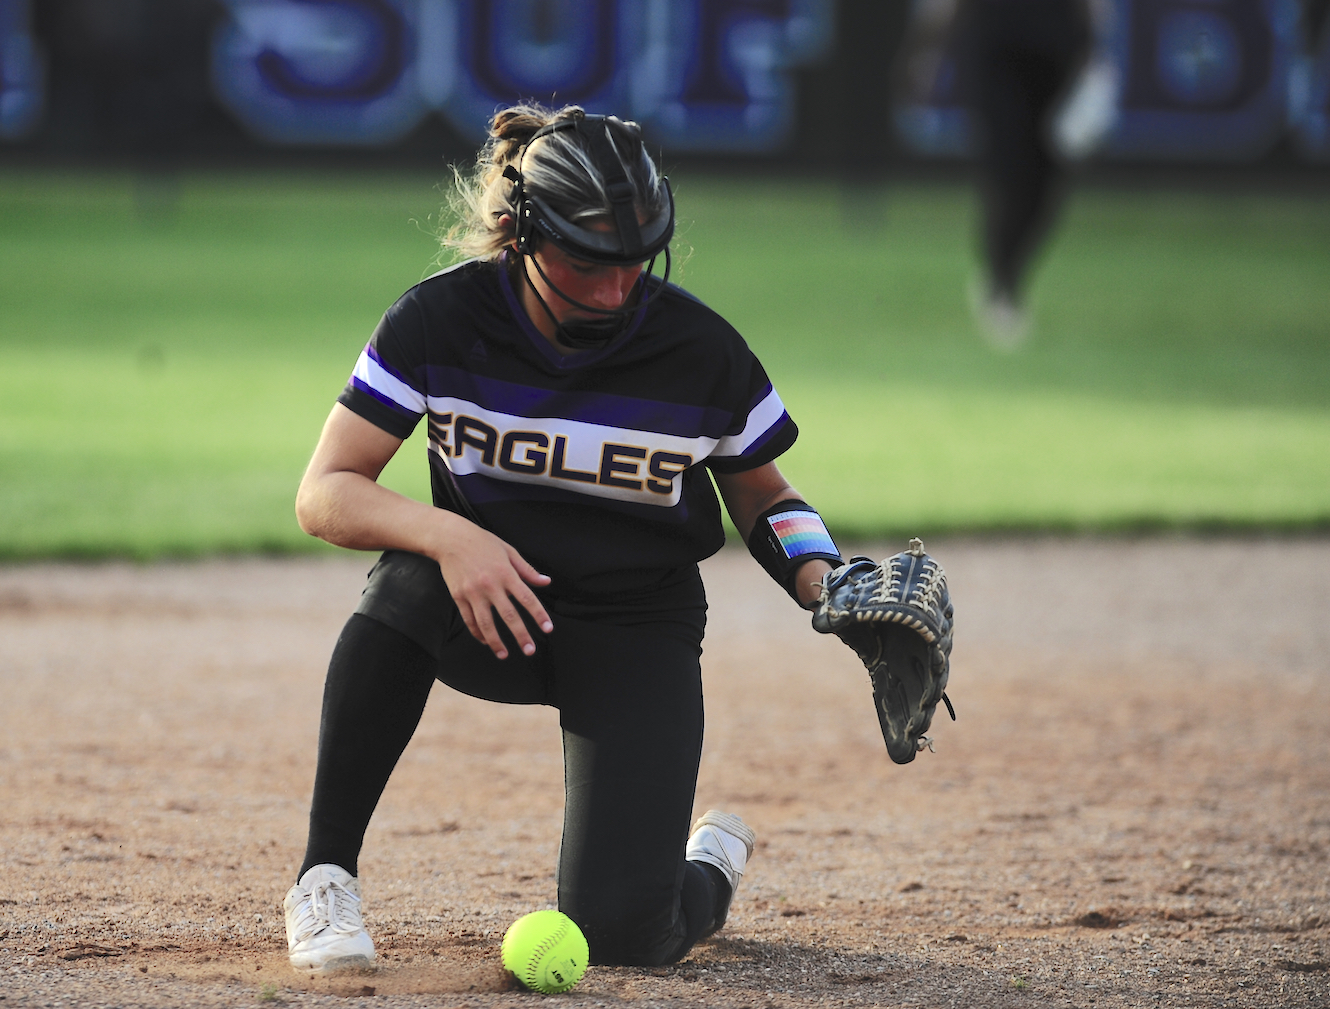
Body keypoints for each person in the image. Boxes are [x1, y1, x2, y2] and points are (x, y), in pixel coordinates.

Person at [281, 103, 845, 971]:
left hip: (635, 625)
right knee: (407, 581)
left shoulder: (699, 349)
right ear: (522, 234)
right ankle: (324, 877)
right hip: (490, 610)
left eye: (633, 261)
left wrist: (829, 581)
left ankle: (707, 865)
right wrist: (452, 537)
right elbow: (325, 491)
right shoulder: (441, 319)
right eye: (587, 262)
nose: (615, 289)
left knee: (624, 938)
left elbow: (767, 497)